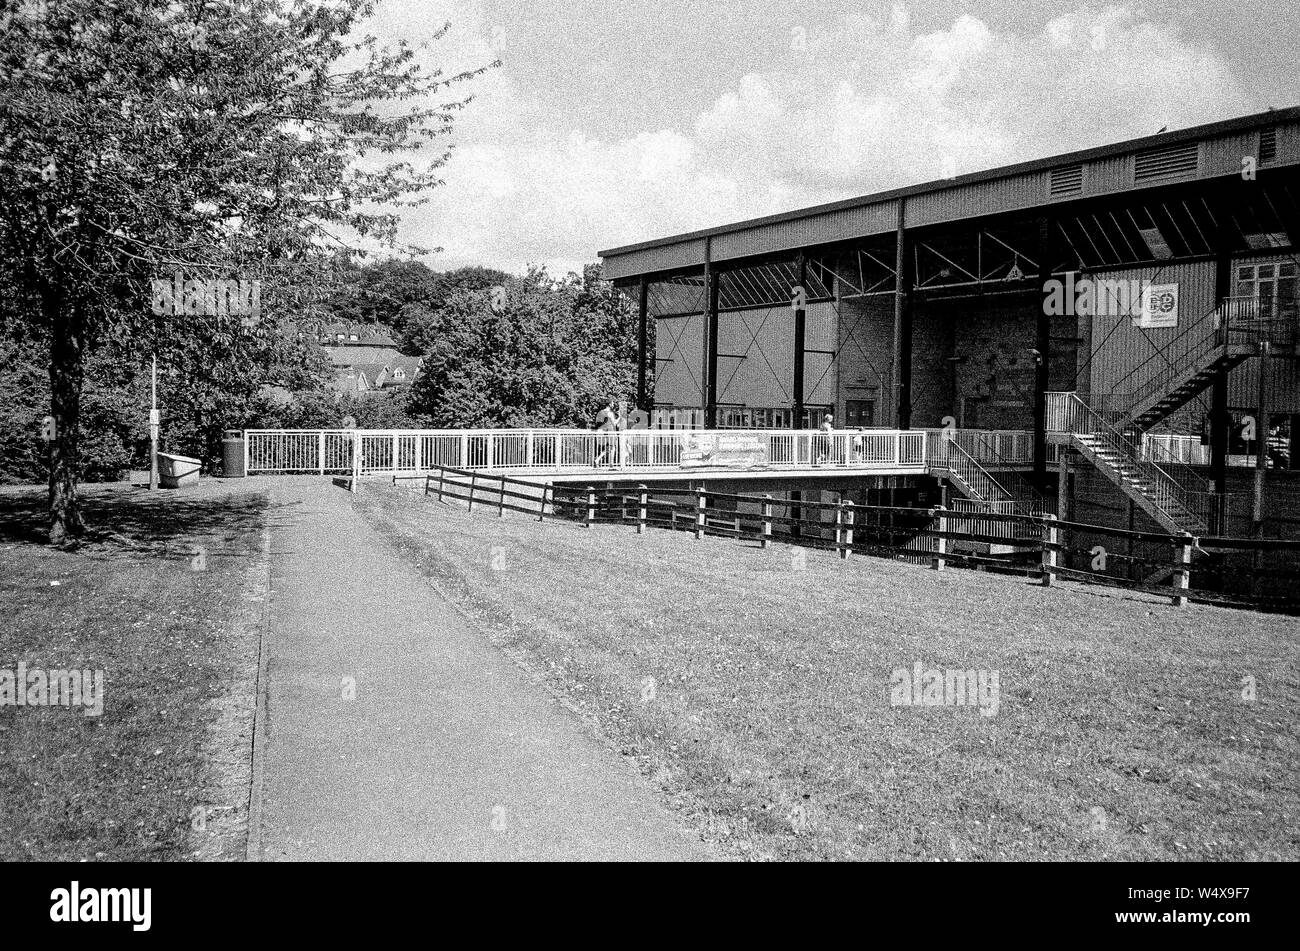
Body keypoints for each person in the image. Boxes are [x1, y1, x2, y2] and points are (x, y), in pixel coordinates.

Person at [593, 400, 621, 467]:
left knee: (609, 448)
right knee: (613, 447)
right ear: (610, 404)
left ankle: (598, 460)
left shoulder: (602, 412)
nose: (613, 405)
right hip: (611, 430)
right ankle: (611, 465)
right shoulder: (610, 413)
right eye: (612, 404)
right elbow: (614, 423)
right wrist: (619, 417)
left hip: (605, 430)